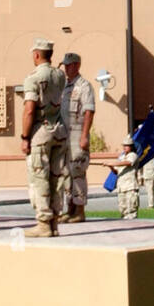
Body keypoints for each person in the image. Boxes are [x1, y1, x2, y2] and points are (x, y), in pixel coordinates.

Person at [21, 37, 69, 238]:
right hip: (59, 131)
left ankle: (43, 223)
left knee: (40, 177)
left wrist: (24, 136)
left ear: (36, 54)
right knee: (56, 178)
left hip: (41, 132)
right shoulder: (60, 76)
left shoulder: (33, 78)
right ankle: (54, 222)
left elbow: (30, 110)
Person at [59, 53, 97, 224]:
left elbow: (89, 111)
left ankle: (80, 210)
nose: (66, 68)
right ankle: (70, 209)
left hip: (77, 133)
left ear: (77, 65)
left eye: (69, 65)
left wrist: (84, 136)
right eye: (65, 65)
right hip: (64, 135)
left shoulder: (84, 86)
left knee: (77, 171)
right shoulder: (65, 87)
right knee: (66, 173)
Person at [114, 137, 140, 219]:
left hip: (130, 186)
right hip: (121, 187)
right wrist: (110, 166)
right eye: (124, 145)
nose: (125, 147)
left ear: (131, 147)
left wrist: (112, 163)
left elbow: (128, 163)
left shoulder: (133, 155)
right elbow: (116, 171)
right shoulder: (121, 157)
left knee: (131, 210)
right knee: (123, 211)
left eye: (127, 145)